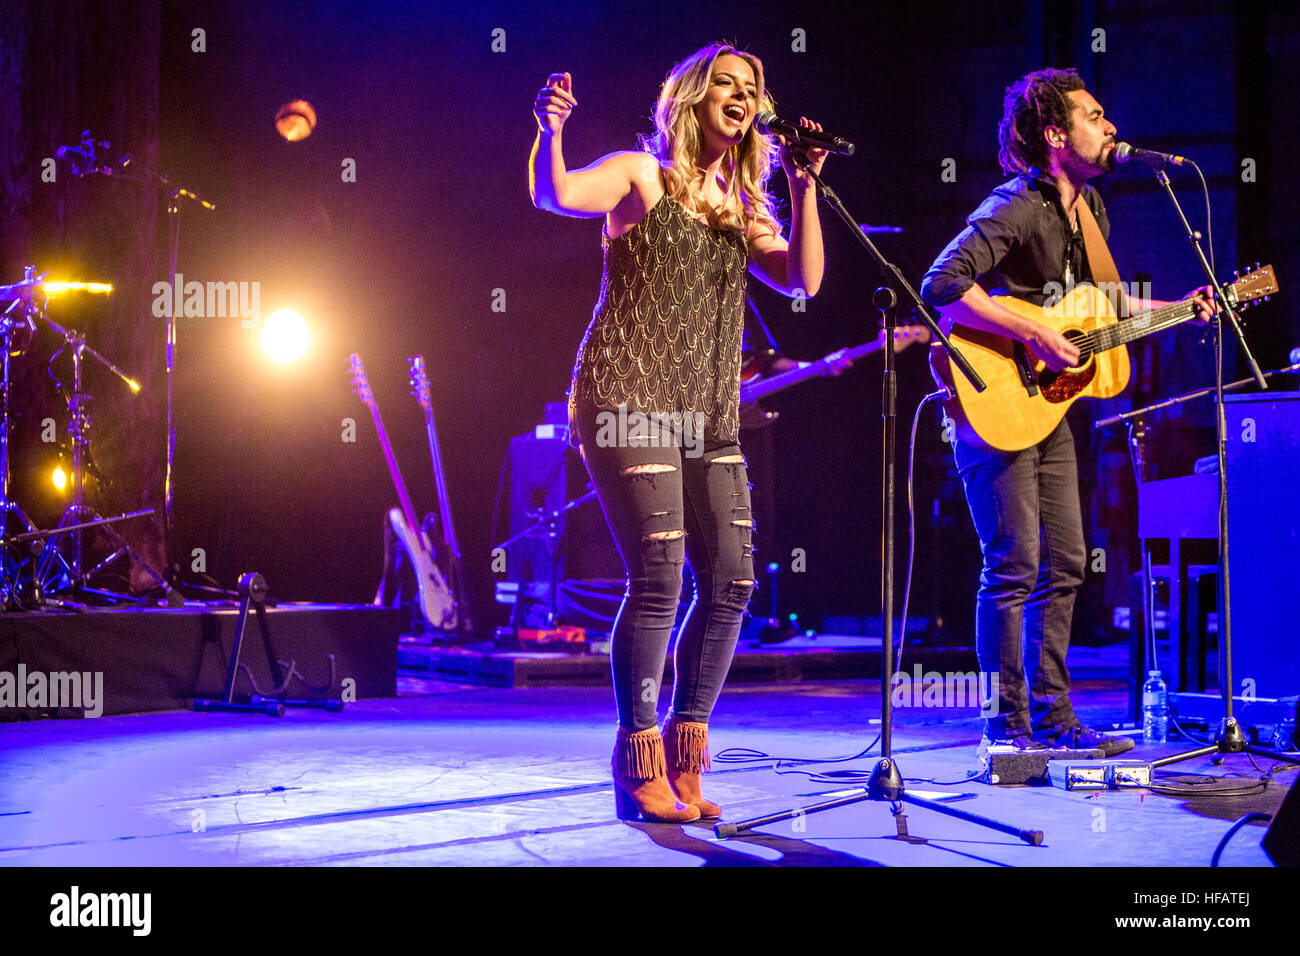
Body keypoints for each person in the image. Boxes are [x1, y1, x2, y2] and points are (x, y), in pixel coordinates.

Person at [530, 42, 826, 821]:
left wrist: (803, 184)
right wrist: (550, 128)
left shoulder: (740, 208)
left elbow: (803, 279)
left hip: (708, 411)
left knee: (730, 582)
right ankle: (638, 760)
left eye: (752, 88)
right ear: (692, 98)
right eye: (724, 84)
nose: (741, 95)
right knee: (659, 578)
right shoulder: (640, 173)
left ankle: (687, 748)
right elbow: (557, 194)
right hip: (629, 398)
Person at [920, 67, 1214, 757]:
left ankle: (1052, 722)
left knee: (1070, 563)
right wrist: (1032, 333)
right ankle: (1003, 725)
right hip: (992, 399)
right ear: (1055, 135)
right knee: (1013, 564)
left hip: (1051, 412)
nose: (1111, 126)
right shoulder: (1016, 204)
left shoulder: (1090, 212)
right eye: (1094, 115)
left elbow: (1105, 309)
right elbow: (942, 284)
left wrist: (1181, 308)